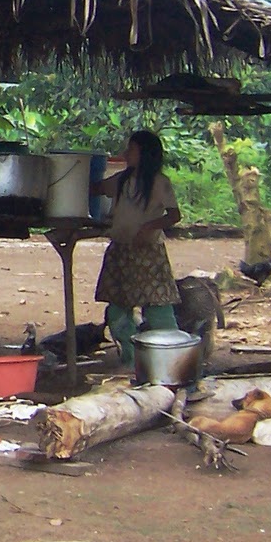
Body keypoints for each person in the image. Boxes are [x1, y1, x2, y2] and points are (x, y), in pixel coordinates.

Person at [91, 130, 182, 365]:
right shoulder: (121, 180)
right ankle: (131, 358)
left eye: (131, 149)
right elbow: (97, 188)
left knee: (158, 308)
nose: (125, 153)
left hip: (149, 253)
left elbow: (174, 215)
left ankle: (170, 358)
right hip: (121, 251)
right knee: (117, 310)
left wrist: (149, 226)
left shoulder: (160, 183)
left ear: (145, 154)